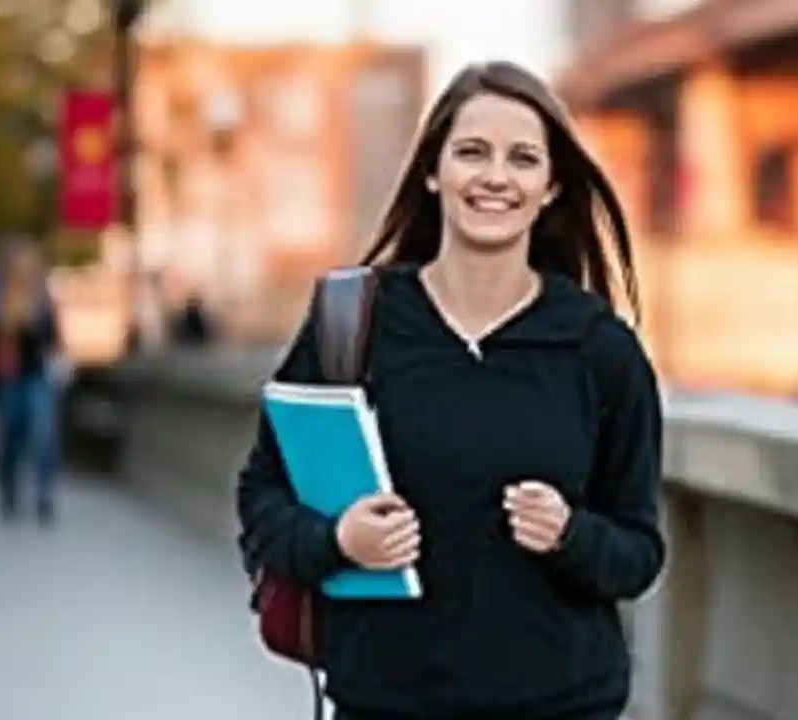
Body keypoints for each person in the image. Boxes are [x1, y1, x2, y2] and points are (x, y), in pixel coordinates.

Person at [236, 60, 665, 719]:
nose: (496, 177)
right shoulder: (355, 323)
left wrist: (570, 536)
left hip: (561, 706)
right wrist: (337, 542)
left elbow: (639, 552)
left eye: (523, 159)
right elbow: (262, 496)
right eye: (472, 153)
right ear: (434, 172)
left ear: (550, 187)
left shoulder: (599, 349)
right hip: (384, 704)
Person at [0, 238, 62, 525]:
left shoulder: (43, 303)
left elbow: (54, 341)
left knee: (43, 436)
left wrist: (34, 326)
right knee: (11, 437)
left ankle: (43, 495)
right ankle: (9, 491)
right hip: (9, 378)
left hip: (37, 374)